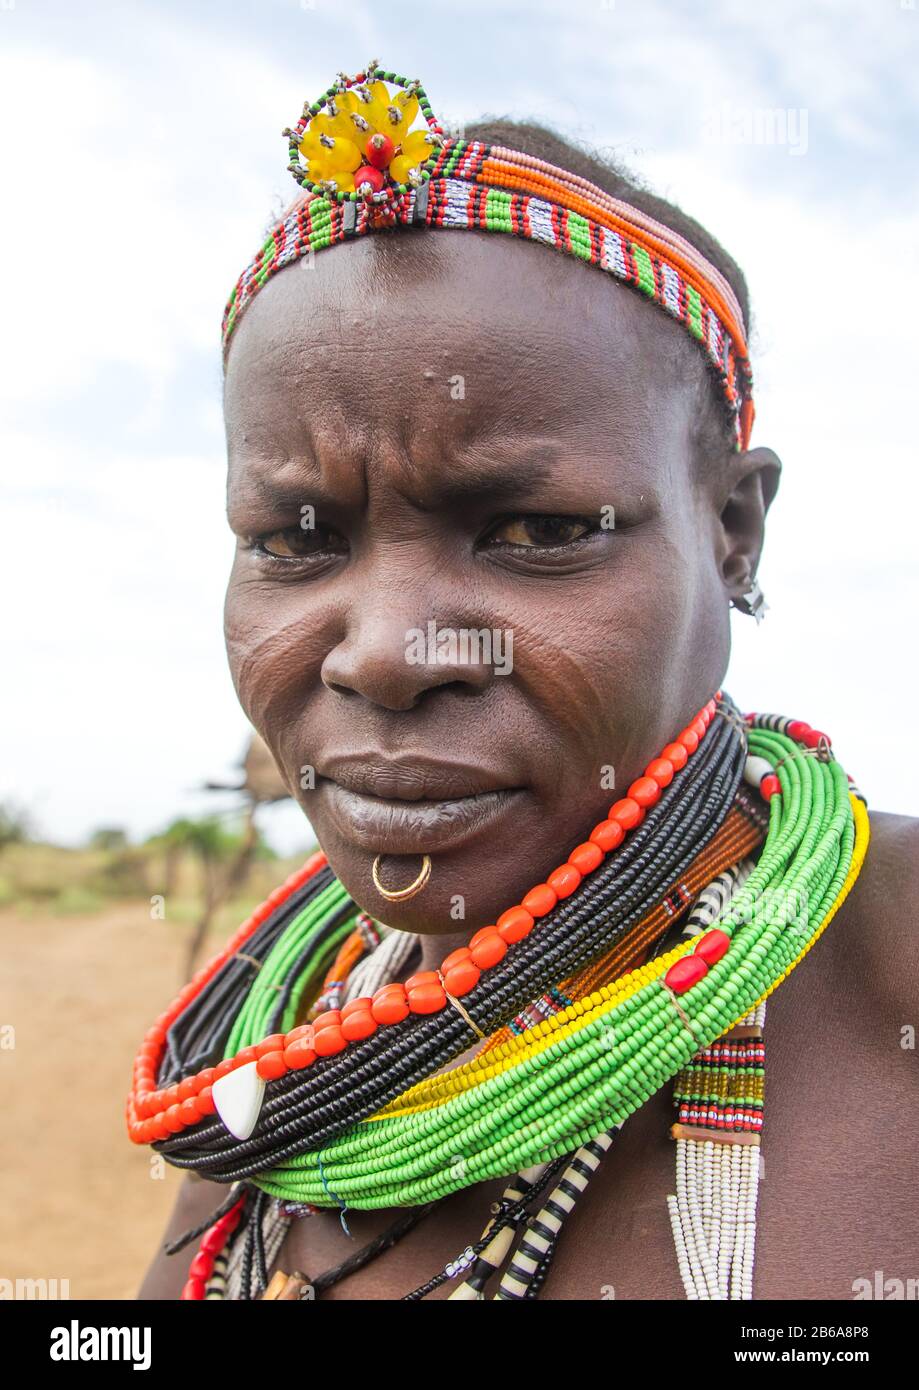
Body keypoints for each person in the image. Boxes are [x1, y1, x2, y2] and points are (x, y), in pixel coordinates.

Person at [136, 62, 918, 1301]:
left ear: (733, 534)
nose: (383, 652)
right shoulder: (275, 1074)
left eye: (538, 529)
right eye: (294, 537)